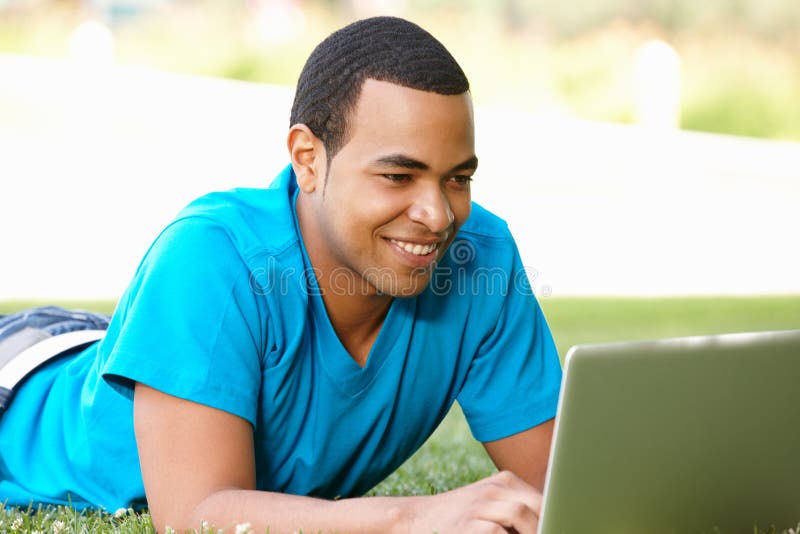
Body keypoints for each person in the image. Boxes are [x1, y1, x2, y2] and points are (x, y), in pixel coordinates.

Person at [0, 16, 562, 533]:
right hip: (20, 375)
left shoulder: (479, 257)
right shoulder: (208, 255)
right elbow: (198, 514)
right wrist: (415, 518)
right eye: (397, 176)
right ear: (307, 158)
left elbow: (562, 492)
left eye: (457, 179)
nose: (437, 215)